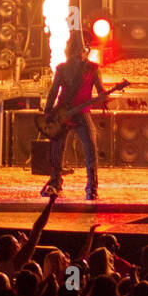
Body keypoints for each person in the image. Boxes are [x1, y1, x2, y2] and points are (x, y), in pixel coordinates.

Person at [41, 35, 106, 200]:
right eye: (75, 50)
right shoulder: (62, 69)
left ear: (86, 52)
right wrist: (49, 111)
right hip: (62, 113)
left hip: (82, 113)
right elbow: (54, 91)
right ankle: (55, 182)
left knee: (90, 149)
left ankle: (92, 187)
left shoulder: (93, 69)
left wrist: (104, 98)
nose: (78, 54)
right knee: (56, 149)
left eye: (81, 51)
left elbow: (100, 91)